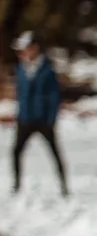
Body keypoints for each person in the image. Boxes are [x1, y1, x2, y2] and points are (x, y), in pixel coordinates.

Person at [11, 31, 68, 195]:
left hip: (43, 120)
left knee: (54, 153)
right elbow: (21, 93)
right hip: (25, 119)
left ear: (34, 48)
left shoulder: (47, 70)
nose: (21, 54)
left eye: (24, 49)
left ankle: (64, 186)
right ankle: (17, 186)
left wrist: (51, 119)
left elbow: (54, 96)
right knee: (16, 152)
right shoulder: (21, 68)